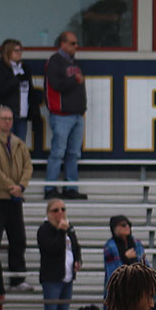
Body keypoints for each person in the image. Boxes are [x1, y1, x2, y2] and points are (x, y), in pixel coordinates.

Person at [0, 104, 32, 284]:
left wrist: (21, 186)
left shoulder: (19, 143)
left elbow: (28, 166)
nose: (7, 122)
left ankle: (18, 278)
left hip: (15, 199)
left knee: (18, 239)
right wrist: (11, 186)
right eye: (4, 119)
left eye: (10, 119)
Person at [34, 199, 82, 310]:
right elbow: (52, 248)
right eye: (55, 210)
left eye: (63, 209)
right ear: (48, 213)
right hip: (52, 278)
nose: (60, 213)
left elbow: (75, 246)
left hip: (68, 277)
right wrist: (61, 232)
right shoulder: (44, 229)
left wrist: (78, 260)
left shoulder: (69, 227)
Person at [44, 30, 88, 199]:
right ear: (63, 44)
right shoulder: (55, 62)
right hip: (61, 114)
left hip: (77, 114)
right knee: (58, 152)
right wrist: (74, 80)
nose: (76, 46)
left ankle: (70, 187)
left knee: (73, 153)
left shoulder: (74, 63)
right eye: (72, 43)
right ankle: (50, 188)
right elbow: (56, 85)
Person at [102, 216, 156, 310]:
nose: (127, 227)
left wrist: (132, 260)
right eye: (123, 225)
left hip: (139, 292)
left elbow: (145, 266)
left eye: (129, 224)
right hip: (121, 294)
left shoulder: (136, 244)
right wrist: (126, 258)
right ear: (114, 228)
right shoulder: (110, 246)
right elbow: (114, 274)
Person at [0, 39, 41, 145]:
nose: (19, 53)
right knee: (4, 147)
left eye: (20, 50)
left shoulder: (25, 68)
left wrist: (35, 114)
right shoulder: (0, 69)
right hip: (6, 116)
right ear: (8, 52)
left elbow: (30, 93)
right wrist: (16, 80)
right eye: (16, 51)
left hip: (22, 115)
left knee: (19, 147)